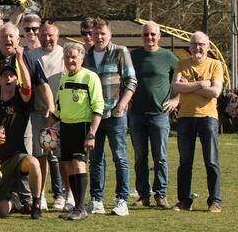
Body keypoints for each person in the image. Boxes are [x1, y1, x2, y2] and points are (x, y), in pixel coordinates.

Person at [82, 18, 136, 215]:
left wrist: (122, 104)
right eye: (95, 34)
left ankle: (122, 200)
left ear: (110, 34)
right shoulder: (86, 56)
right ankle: (96, 199)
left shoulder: (120, 52)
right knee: (95, 159)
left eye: (102, 33)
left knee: (119, 157)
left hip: (115, 114)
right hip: (93, 116)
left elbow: (131, 81)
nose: (99, 37)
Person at [46, 42, 104, 221]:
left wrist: (91, 133)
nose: (70, 60)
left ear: (81, 58)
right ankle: (75, 207)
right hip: (66, 127)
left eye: (73, 56)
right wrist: (46, 129)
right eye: (67, 56)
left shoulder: (90, 77)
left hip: (83, 126)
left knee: (79, 164)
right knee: (69, 165)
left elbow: (98, 107)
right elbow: (59, 110)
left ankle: (80, 208)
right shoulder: (64, 79)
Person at [0, 66, 43, 218]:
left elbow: (27, 88)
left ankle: (36, 205)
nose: (9, 78)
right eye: (5, 76)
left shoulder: (21, 103)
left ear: (16, 81)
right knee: (1, 212)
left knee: (34, 162)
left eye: (12, 76)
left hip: (17, 158)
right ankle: (15, 201)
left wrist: (21, 59)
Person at [171, 32, 224, 212]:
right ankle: (184, 201)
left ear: (208, 47)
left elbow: (216, 92)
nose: (197, 48)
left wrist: (189, 87)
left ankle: (215, 201)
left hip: (208, 117)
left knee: (211, 161)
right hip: (185, 117)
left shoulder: (215, 65)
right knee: (185, 162)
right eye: (194, 44)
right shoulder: (181, 64)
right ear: (190, 46)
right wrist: (202, 84)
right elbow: (176, 87)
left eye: (201, 44)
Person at [129, 21, 179, 208]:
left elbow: (183, 78)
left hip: (159, 115)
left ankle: (161, 194)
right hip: (137, 115)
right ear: (141, 36)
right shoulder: (133, 56)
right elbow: (121, 76)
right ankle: (143, 195)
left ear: (159, 36)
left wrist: (176, 100)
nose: (149, 37)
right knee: (140, 157)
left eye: (152, 34)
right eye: (146, 34)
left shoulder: (168, 57)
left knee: (160, 156)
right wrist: (125, 97)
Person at [24, 20, 66, 209]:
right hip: (37, 114)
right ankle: (39, 195)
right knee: (40, 156)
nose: (47, 38)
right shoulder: (30, 56)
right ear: (38, 35)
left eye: (51, 34)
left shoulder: (66, 54)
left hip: (61, 115)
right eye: (43, 34)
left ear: (57, 35)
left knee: (62, 157)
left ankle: (65, 195)